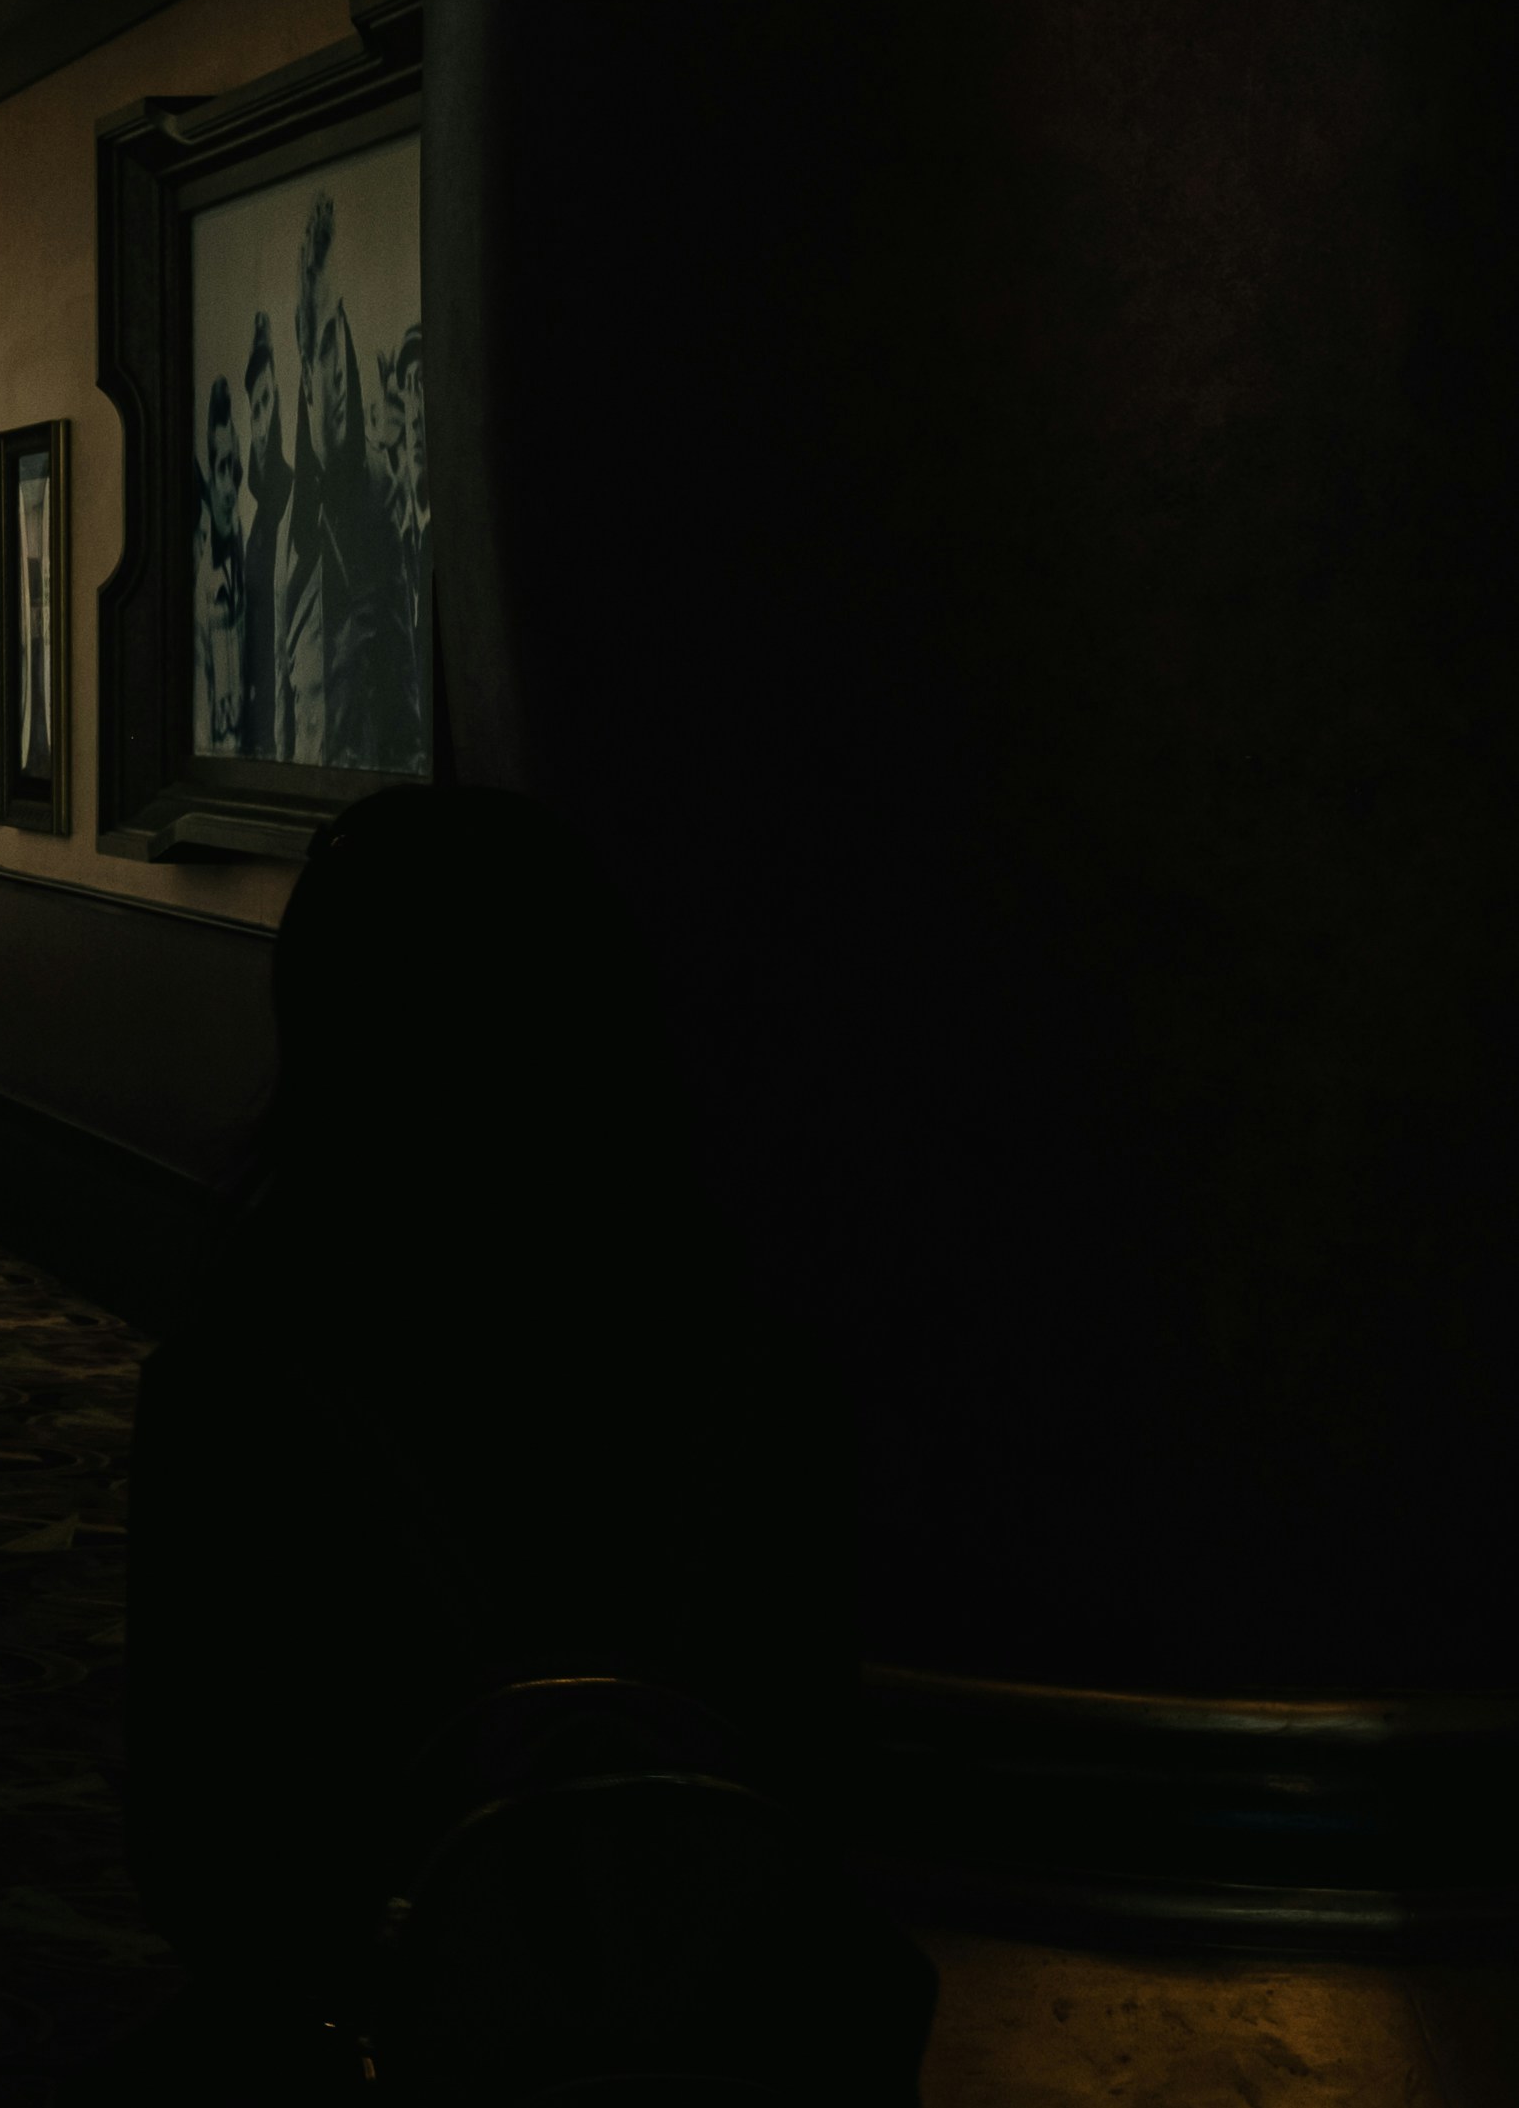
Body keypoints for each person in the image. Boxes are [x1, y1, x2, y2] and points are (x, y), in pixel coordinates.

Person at [96, 786, 925, 2102]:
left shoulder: (242, 1381)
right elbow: (829, 1768)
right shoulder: (761, 1364)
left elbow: (202, 1847)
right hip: (726, 2035)